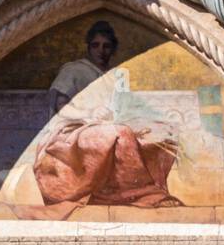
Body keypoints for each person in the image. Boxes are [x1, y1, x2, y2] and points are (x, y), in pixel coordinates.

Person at [32, 20, 182, 209]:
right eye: (96, 45)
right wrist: (89, 115)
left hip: (104, 126)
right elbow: (61, 107)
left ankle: (120, 192)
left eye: (106, 46)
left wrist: (139, 124)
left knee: (164, 136)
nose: (101, 51)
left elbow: (123, 108)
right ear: (88, 47)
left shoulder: (114, 77)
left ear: (113, 49)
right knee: (120, 133)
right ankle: (143, 194)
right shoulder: (75, 71)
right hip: (72, 131)